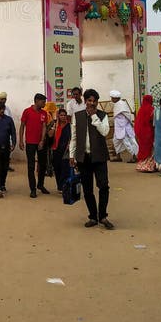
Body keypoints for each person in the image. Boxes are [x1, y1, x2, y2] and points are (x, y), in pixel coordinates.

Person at [69, 88, 113, 229]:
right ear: (86, 101)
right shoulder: (78, 116)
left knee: (103, 186)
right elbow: (74, 137)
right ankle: (93, 217)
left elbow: (105, 132)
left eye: (94, 101)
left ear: (97, 102)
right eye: (89, 101)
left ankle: (103, 216)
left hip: (99, 156)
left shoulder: (102, 115)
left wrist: (94, 117)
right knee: (87, 189)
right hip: (84, 157)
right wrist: (72, 155)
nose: (92, 103)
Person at [19, 93, 49, 198]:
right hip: (30, 143)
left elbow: (44, 127)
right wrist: (21, 140)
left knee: (42, 164)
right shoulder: (27, 112)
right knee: (31, 166)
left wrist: (42, 140)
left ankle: (40, 184)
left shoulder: (44, 113)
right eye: (43, 101)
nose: (44, 103)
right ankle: (33, 189)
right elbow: (22, 126)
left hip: (40, 143)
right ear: (37, 101)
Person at [110, 90, 138, 162]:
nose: (111, 99)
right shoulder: (118, 104)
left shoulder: (121, 104)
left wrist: (131, 123)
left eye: (112, 98)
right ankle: (118, 156)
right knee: (116, 141)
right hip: (118, 127)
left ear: (115, 98)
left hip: (123, 127)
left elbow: (127, 115)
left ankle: (134, 157)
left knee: (128, 142)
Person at [51, 107, 71, 191]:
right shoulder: (56, 125)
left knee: (64, 169)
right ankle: (59, 186)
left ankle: (64, 186)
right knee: (57, 168)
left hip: (65, 150)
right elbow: (50, 135)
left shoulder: (69, 126)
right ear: (58, 116)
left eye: (64, 115)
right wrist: (54, 126)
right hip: (56, 149)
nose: (63, 117)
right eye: (61, 115)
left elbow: (71, 137)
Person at [134, 95, 156, 172]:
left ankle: (141, 165)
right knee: (150, 149)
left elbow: (138, 122)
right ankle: (148, 166)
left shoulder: (141, 110)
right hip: (149, 132)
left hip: (141, 133)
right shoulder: (151, 109)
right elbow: (153, 121)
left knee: (143, 148)